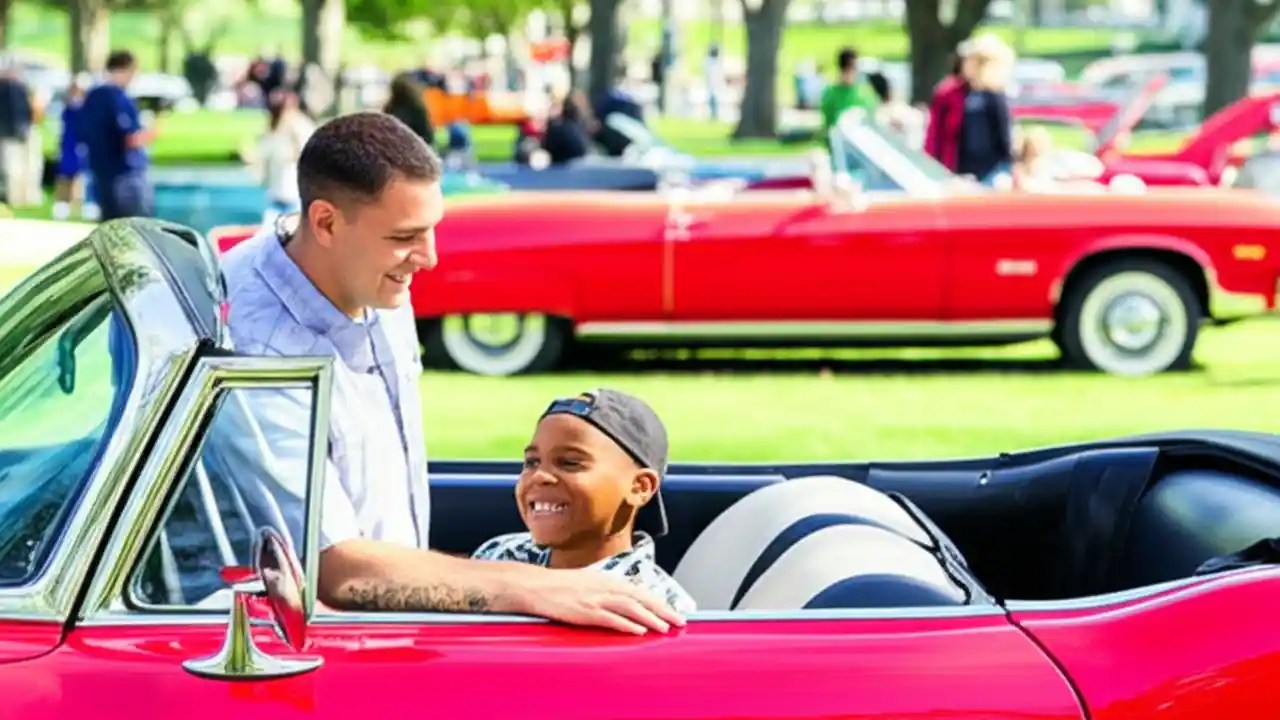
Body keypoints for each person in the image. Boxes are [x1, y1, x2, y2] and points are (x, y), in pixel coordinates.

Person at [219, 112, 683, 635]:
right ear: (325, 222)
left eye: (432, 229)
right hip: (304, 651)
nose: (430, 258)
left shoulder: (362, 271)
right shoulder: (257, 350)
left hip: (389, 632)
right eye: (405, 236)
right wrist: (539, 587)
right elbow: (334, 570)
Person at [472, 389, 696, 614]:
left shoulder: (652, 605)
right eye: (532, 462)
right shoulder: (501, 554)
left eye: (570, 463)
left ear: (640, 487)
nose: (539, 476)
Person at [78, 50, 155, 220]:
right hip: (123, 171)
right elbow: (130, 138)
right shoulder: (114, 98)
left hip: (101, 167)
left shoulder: (92, 96)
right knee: (131, 222)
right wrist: (151, 133)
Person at [818, 47, 879, 143]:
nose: (852, 73)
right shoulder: (830, 94)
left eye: (854, 69)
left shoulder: (866, 92)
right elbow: (829, 125)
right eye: (849, 69)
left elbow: (873, 120)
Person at [52, 77, 88, 220]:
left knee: (80, 177)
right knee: (65, 175)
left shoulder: (83, 109)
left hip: (80, 146)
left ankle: (78, 204)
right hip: (68, 146)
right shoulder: (66, 109)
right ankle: (62, 204)